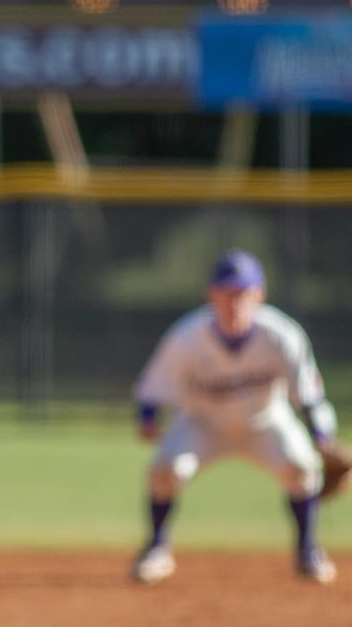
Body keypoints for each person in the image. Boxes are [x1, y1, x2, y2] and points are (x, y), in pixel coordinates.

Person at [128, 248, 340, 586]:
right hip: (202, 423)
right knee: (164, 470)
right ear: (211, 294)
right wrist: (148, 419)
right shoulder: (186, 337)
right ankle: (156, 548)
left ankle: (308, 550)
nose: (234, 302)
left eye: (243, 293)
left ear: (260, 295)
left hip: (265, 422)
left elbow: (310, 396)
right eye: (227, 292)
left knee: (301, 468)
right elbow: (153, 389)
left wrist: (322, 437)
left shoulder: (283, 335)